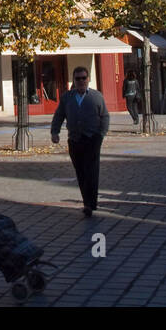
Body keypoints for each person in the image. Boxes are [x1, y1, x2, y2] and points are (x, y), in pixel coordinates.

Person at [51, 67, 110, 217]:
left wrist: (101, 134)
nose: (81, 81)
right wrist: (55, 132)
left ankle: (90, 203)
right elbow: (59, 115)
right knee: (81, 172)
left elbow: (105, 116)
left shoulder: (96, 96)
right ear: (74, 80)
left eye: (84, 78)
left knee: (92, 170)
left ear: (88, 79)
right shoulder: (67, 97)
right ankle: (86, 201)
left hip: (92, 139)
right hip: (75, 140)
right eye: (78, 79)